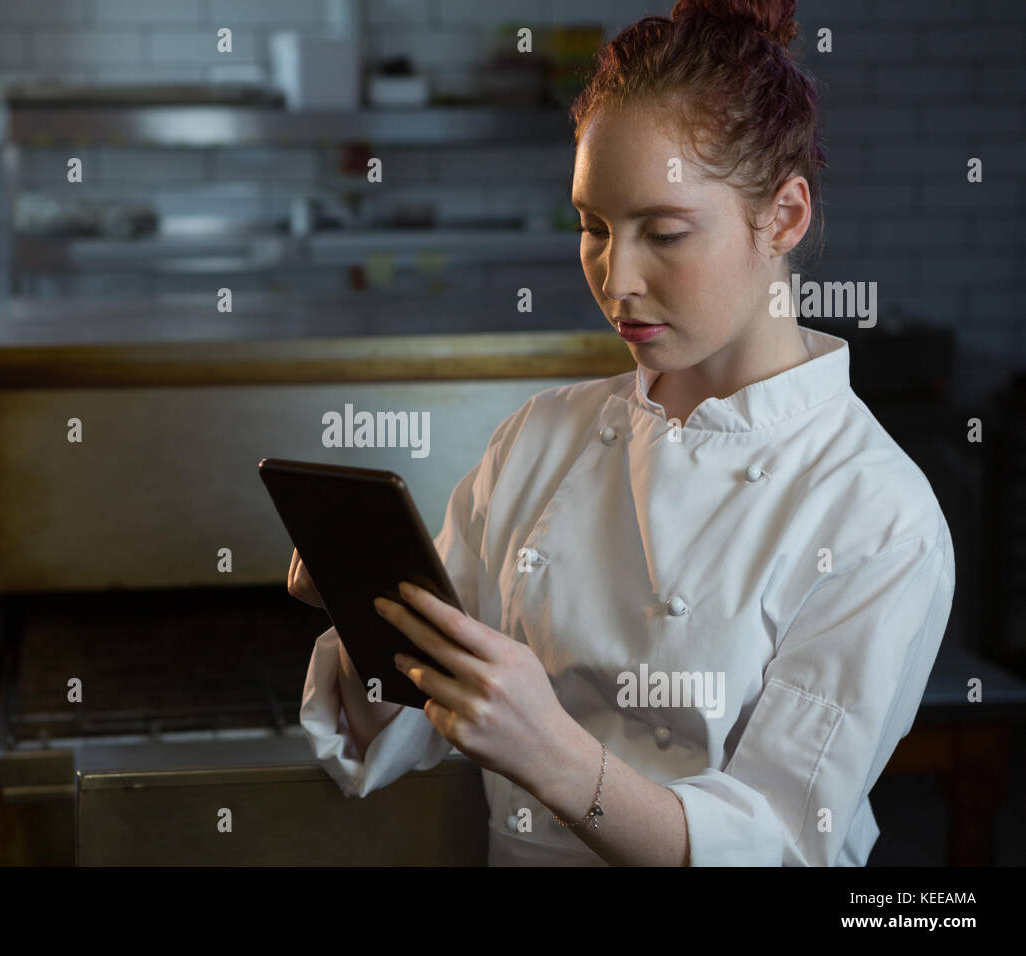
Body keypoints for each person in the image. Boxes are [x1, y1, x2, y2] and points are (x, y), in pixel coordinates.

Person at [291, 0, 955, 866]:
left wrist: (554, 756)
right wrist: (370, 625)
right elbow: (409, 721)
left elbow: (784, 841)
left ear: (784, 218)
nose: (618, 278)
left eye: (664, 232)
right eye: (592, 227)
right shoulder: (538, 439)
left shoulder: (879, 515)